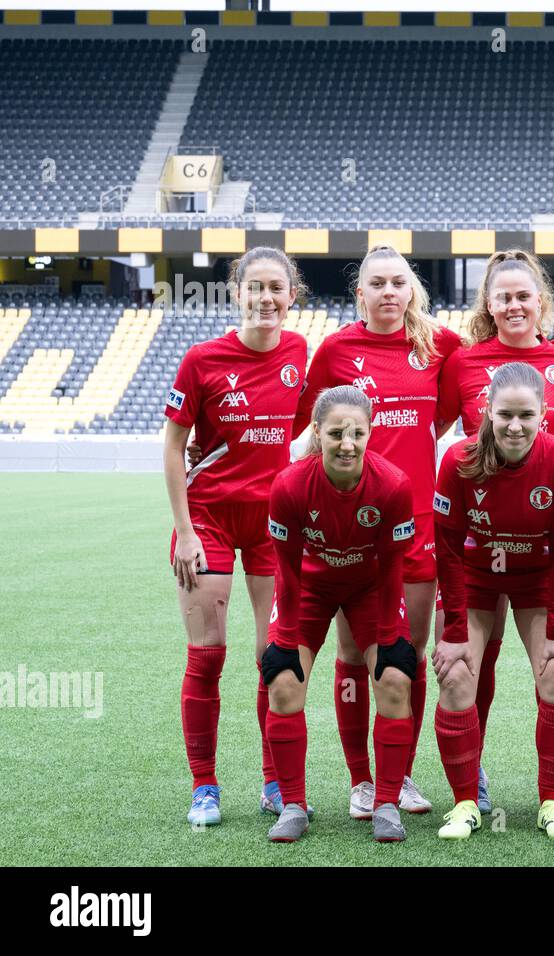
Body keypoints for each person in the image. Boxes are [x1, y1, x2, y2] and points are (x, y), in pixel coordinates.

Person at [290, 245, 460, 821]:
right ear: (358, 294)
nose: (389, 292)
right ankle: (361, 780)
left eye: (399, 283)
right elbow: (302, 427)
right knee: (349, 651)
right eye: (376, 284)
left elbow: (493, 361)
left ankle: (400, 774)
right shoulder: (335, 350)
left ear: (412, 290)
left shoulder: (439, 346)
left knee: (405, 651)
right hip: (348, 531)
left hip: (417, 528)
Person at [436, 249, 554, 813]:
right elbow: (422, 431)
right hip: (475, 544)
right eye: (502, 296)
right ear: (488, 302)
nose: (513, 305)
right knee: (465, 672)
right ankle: (468, 784)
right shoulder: (461, 361)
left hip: (541, 549)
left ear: (541, 301)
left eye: (523, 295)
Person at [164, 246, 309, 827]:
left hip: (273, 523)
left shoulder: (300, 352)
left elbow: (303, 420)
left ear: (291, 296)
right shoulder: (202, 360)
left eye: (278, 288)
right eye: (256, 287)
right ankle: (205, 786)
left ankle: (274, 782)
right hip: (210, 521)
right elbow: (174, 447)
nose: (267, 298)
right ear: (236, 293)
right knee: (208, 656)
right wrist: (185, 533)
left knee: (272, 655)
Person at [430, 362, 554, 841]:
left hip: (539, 578)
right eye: (505, 415)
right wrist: (454, 633)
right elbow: (450, 552)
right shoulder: (458, 460)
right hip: (475, 577)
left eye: (526, 415)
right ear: (487, 412)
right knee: (456, 674)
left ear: (543, 415)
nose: (515, 426)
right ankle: (465, 803)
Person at [262, 386, 416, 843]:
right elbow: (286, 571)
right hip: (309, 587)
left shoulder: (393, 485)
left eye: (357, 433)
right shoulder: (289, 485)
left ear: (371, 433)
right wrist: (286, 641)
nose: (347, 443)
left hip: (371, 587)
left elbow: (392, 570)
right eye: (335, 433)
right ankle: (292, 805)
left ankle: (386, 804)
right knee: (284, 680)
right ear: (316, 433)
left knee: (394, 678)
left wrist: (390, 640)